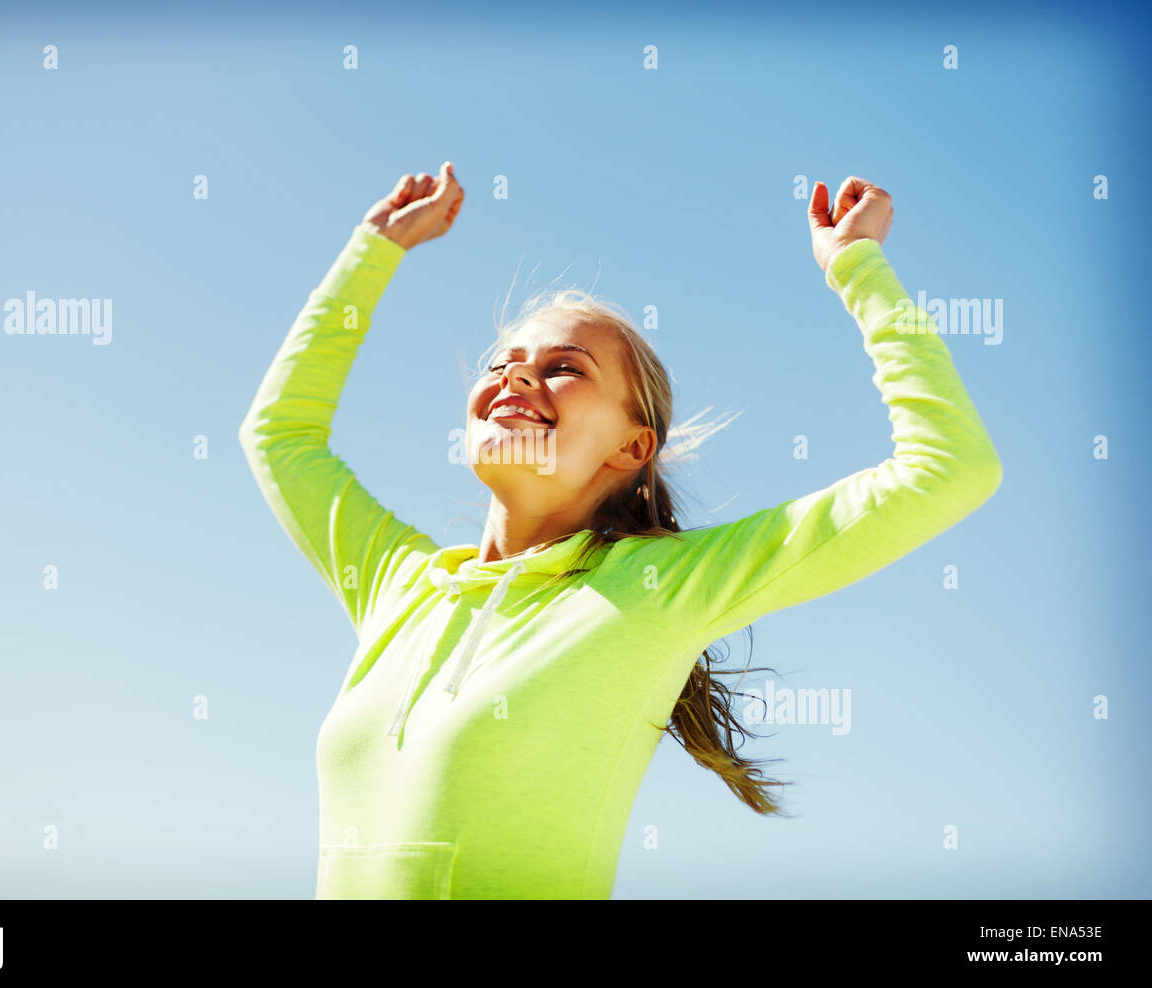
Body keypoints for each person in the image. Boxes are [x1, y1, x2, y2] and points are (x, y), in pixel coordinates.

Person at [238, 161, 1003, 899]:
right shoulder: (398, 582)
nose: (515, 377)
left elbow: (950, 467)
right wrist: (375, 250)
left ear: (633, 448)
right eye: (502, 362)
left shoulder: (659, 587)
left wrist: (858, 266)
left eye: (566, 368)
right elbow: (279, 436)